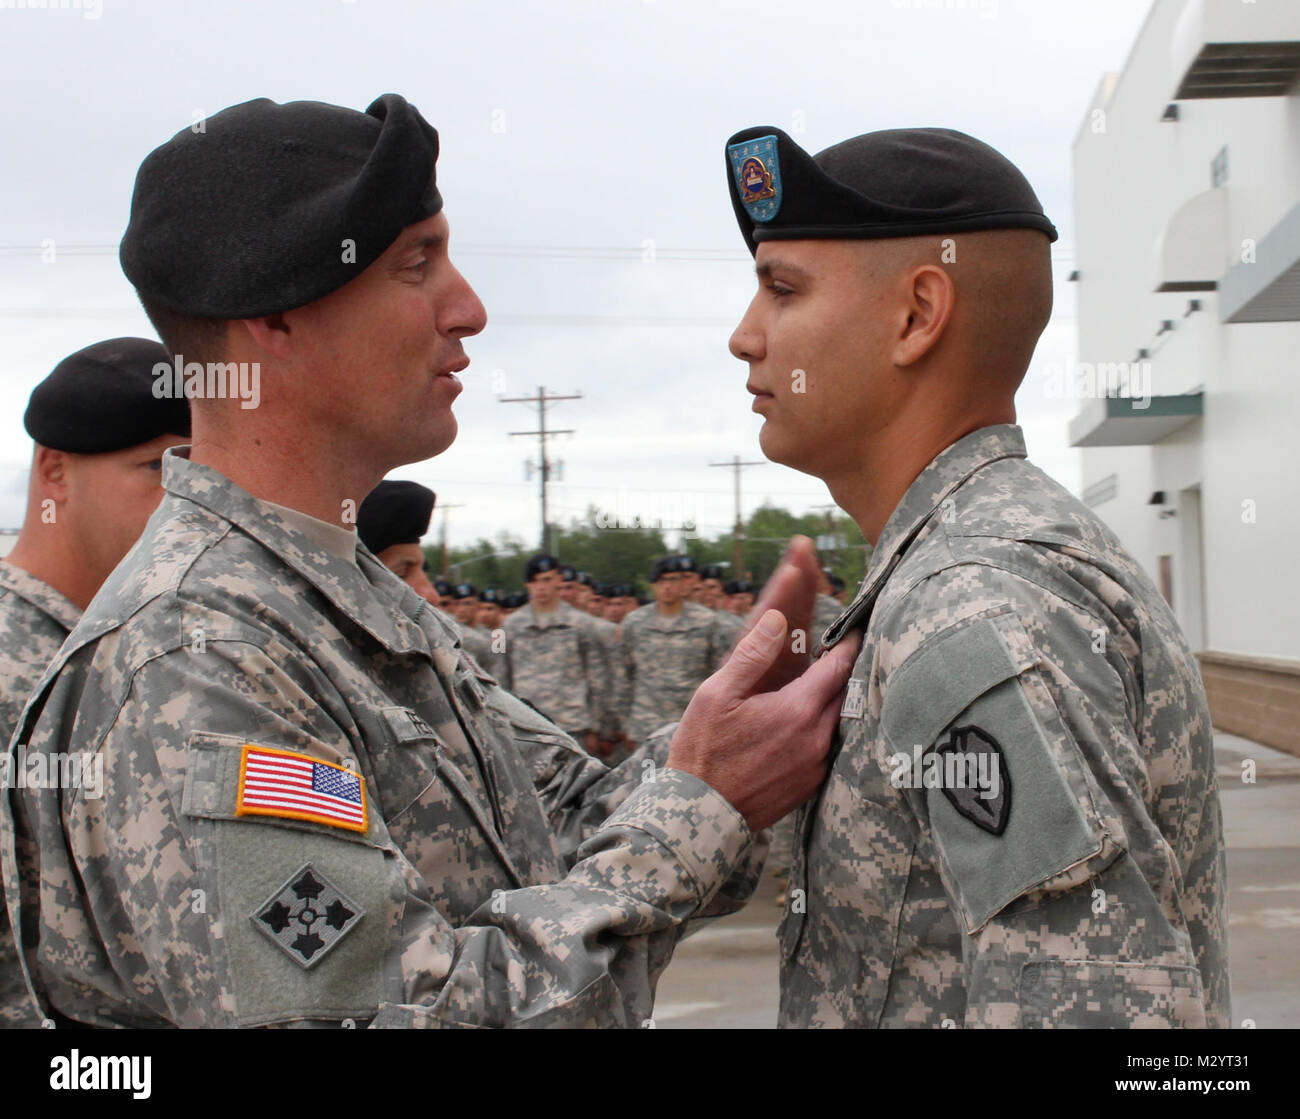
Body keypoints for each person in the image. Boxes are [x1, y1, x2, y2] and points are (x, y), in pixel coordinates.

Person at [0, 94, 857, 1029]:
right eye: (419, 264)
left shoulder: (350, 598)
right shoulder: (194, 658)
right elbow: (401, 1016)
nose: (470, 309)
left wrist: (729, 727)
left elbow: (569, 827)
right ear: (275, 317)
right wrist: (702, 807)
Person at [724, 123, 1228, 1027]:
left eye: (781, 289)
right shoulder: (976, 560)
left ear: (918, 315)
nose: (743, 336)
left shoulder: (971, 601)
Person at [0, 337, 190, 1027]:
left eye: (194, 471)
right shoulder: (16, 662)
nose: (183, 503)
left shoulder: (125, 649)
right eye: (155, 468)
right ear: (55, 471)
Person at [620, 556, 737, 751]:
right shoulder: (634, 622)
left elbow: (719, 672)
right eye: (661, 581)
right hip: (645, 722)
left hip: (690, 719)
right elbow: (625, 673)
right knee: (644, 779)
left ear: (682, 584)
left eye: (673, 580)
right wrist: (624, 723)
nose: (667, 587)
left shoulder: (706, 621)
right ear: (653, 585)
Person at [499, 553, 608, 756]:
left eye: (547, 580)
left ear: (559, 579)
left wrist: (597, 727)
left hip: (572, 724)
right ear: (527, 585)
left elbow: (597, 677)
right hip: (526, 725)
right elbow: (499, 677)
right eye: (535, 581)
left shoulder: (582, 624)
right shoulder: (508, 626)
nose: (541, 587)